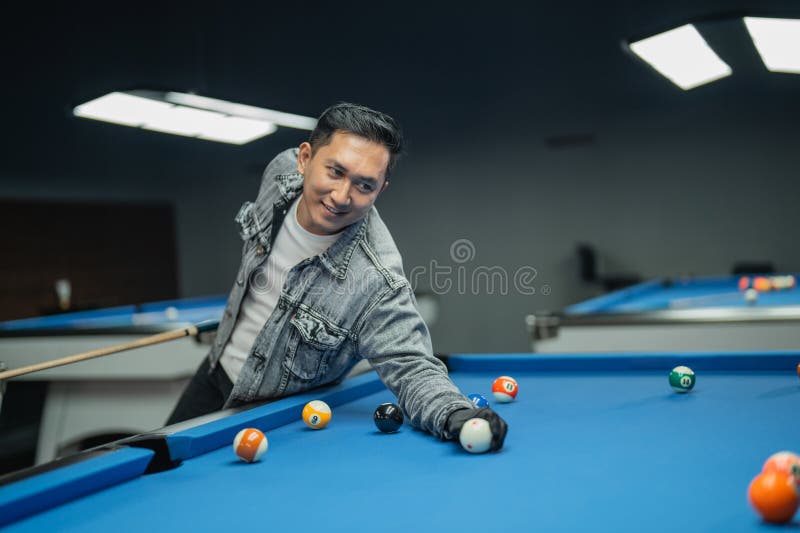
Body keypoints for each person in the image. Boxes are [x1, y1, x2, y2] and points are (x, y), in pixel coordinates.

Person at [167, 102, 508, 451]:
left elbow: (411, 366)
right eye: (335, 172)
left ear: (381, 188)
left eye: (364, 186)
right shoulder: (280, 175)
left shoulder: (376, 280)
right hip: (214, 371)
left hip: (278, 417)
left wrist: (455, 414)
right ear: (304, 159)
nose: (342, 196)